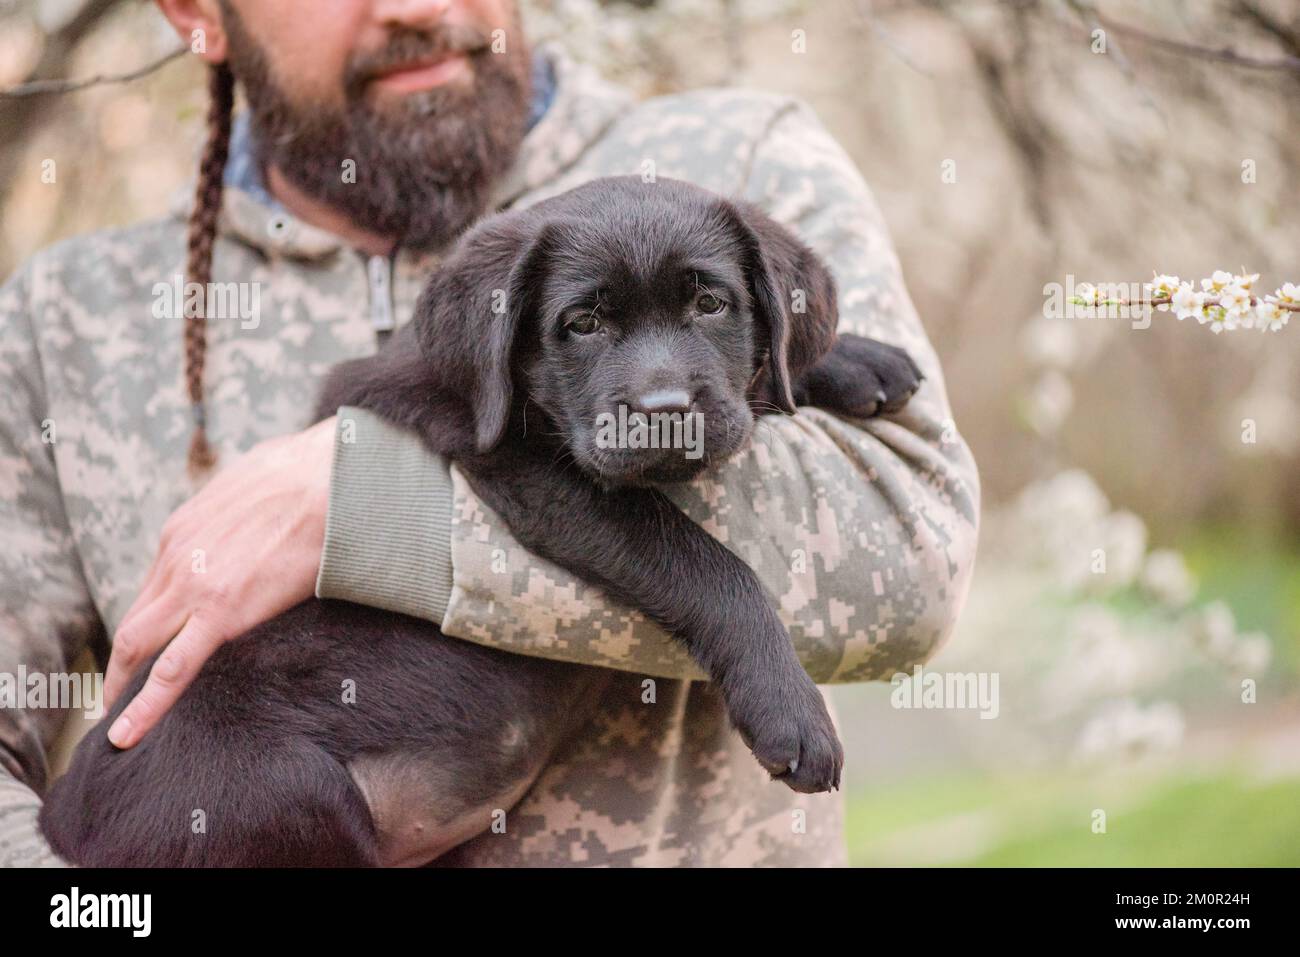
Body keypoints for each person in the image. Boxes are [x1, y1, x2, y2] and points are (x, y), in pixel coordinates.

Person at [0, 0, 979, 867]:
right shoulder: (68, 313)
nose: (414, 5)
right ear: (196, 12)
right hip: (229, 790)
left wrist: (373, 511)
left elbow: (913, 558)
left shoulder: (740, 151)